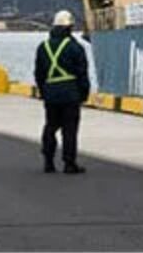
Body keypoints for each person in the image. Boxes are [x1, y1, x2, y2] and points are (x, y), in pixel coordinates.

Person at [34, 10, 90, 174]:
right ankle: (69, 163)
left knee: (50, 126)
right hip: (70, 94)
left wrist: (43, 92)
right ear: (69, 28)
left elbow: (39, 73)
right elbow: (82, 73)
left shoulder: (43, 47)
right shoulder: (75, 47)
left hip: (51, 94)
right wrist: (84, 93)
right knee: (69, 129)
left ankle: (48, 161)